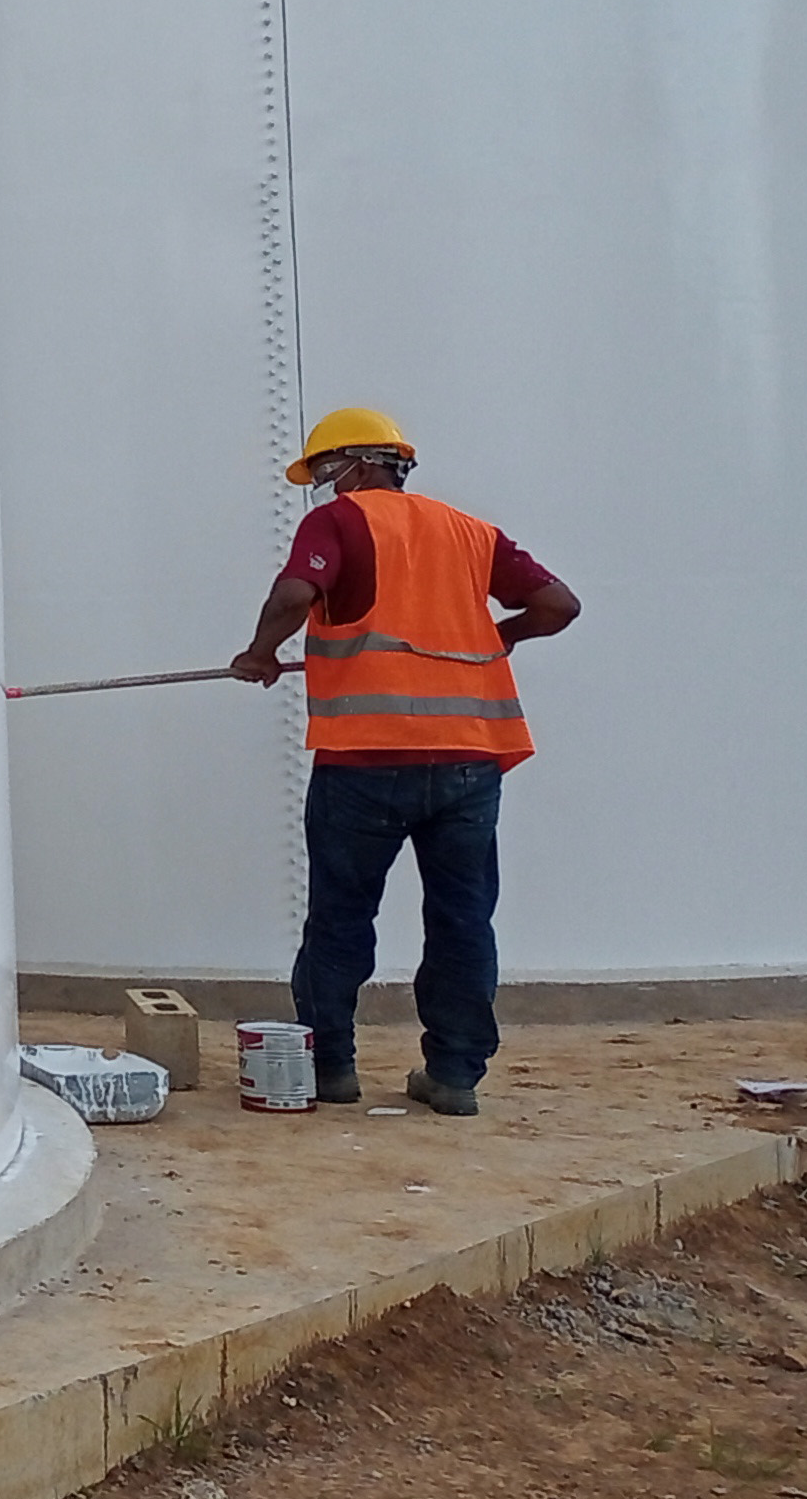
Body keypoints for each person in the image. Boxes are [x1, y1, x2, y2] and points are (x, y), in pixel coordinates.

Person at [230, 406, 580, 1115]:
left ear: (357, 465)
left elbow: (296, 591)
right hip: (468, 764)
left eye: (327, 471)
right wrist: (500, 636)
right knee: (462, 919)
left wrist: (261, 654)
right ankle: (454, 1077)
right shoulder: (472, 532)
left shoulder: (339, 522)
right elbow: (559, 605)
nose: (326, 488)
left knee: (339, 918)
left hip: (364, 760)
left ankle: (330, 1069)